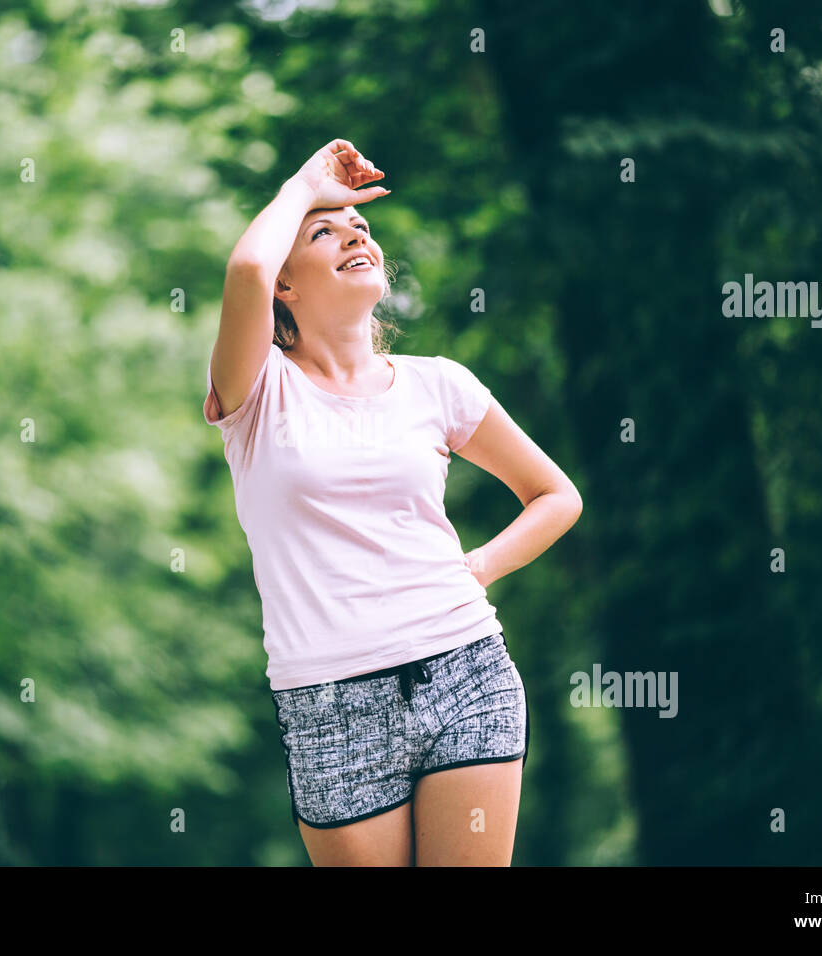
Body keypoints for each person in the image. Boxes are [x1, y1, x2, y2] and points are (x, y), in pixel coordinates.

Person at [203, 139, 583, 865]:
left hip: (466, 670)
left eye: (363, 228)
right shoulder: (257, 395)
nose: (355, 232)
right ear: (286, 286)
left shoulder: (439, 384)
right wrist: (304, 184)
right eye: (326, 231)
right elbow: (247, 266)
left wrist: (476, 568)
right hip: (329, 703)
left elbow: (555, 495)